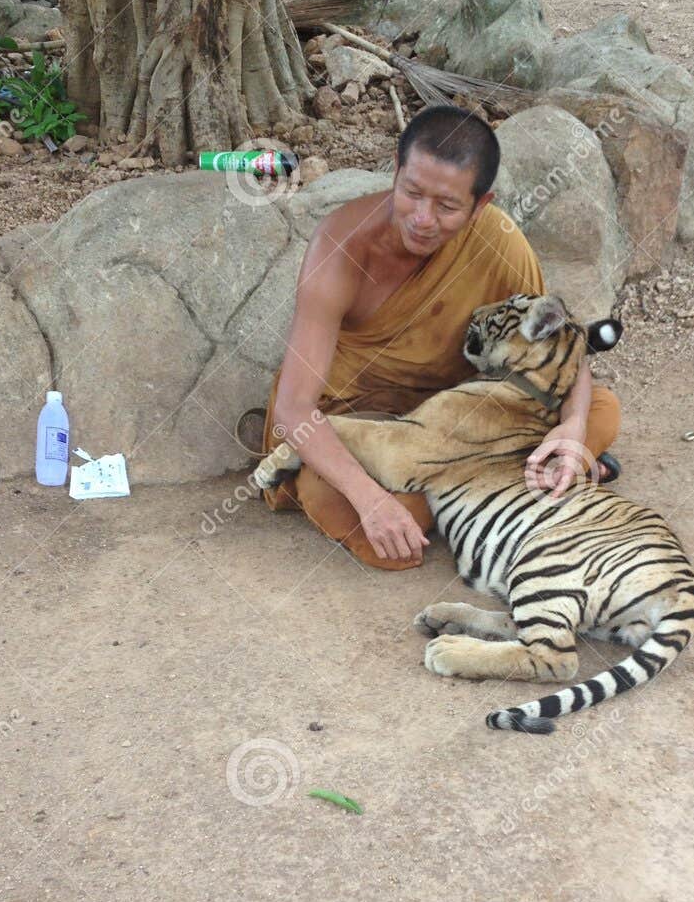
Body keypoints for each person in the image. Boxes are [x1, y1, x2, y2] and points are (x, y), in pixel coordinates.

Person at [261, 104, 622, 570]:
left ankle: (518, 476)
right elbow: (294, 409)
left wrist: (572, 430)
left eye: (448, 206)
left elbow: (563, 354)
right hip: (358, 426)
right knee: (370, 533)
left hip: (459, 418)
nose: (423, 219)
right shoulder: (340, 249)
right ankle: (520, 484)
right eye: (412, 193)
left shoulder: (498, 240)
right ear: (396, 171)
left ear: (480, 205)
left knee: (597, 408)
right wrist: (371, 501)